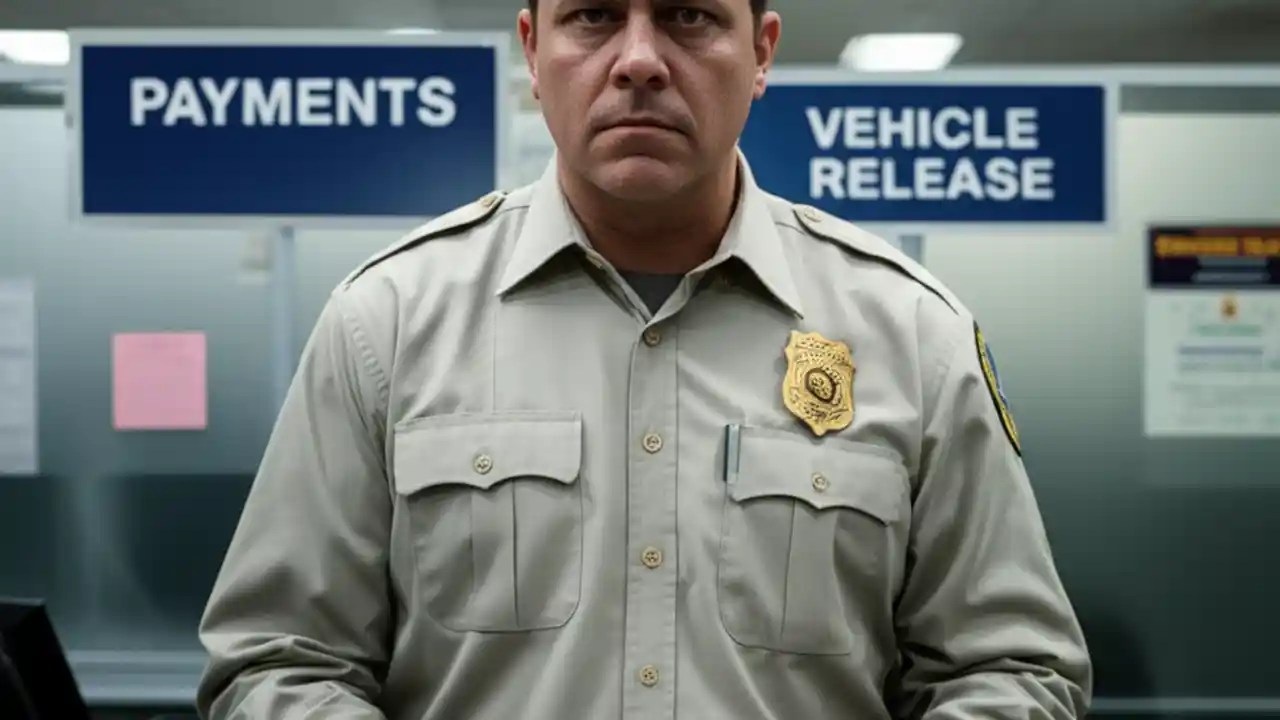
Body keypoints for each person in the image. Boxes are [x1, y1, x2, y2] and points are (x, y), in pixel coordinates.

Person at [196, 0, 1093, 717]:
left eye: (688, 16)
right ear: (531, 51)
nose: (638, 59)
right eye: (591, 17)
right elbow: (279, 661)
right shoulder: (386, 324)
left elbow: (1012, 669)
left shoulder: (911, 333)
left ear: (763, 52)